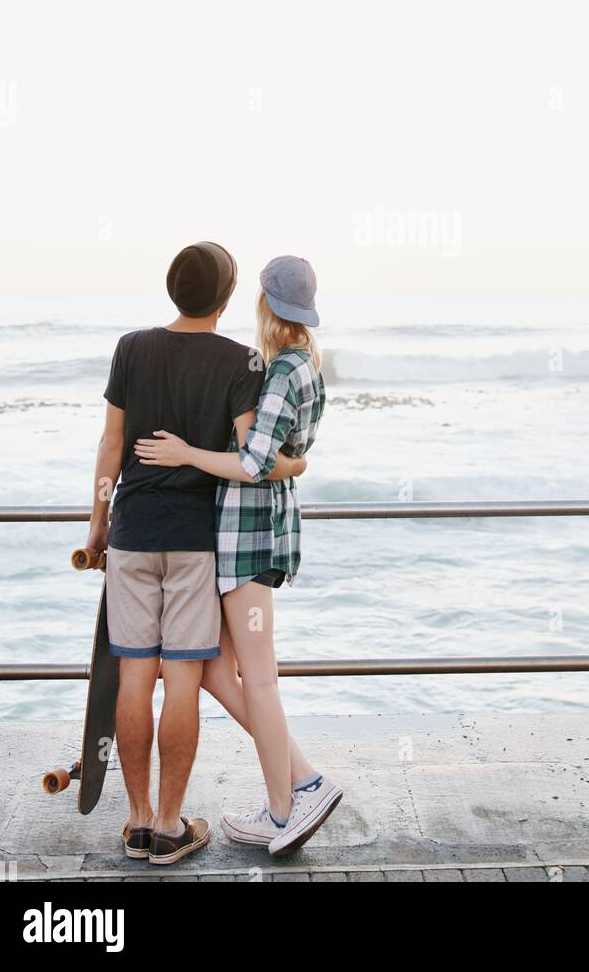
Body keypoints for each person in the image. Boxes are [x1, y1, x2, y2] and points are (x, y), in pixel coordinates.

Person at [85, 241, 304, 866]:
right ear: (227, 297)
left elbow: (110, 445)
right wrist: (298, 462)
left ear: (170, 287)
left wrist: (98, 523)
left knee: (135, 676)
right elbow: (250, 455)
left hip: (131, 534)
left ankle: (136, 821)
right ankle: (172, 827)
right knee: (181, 681)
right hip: (197, 544)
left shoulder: (132, 347)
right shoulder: (242, 362)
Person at [135, 255, 341, 856]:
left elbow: (254, 465)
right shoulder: (307, 366)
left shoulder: (281, 372)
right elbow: (286, 457)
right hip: (254, 534)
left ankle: (285, 810)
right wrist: (291, 462)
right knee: (218, 670)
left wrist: (187, 454)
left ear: (263, 304)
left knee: (259, 678)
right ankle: (302, 779)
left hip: (249, 539)